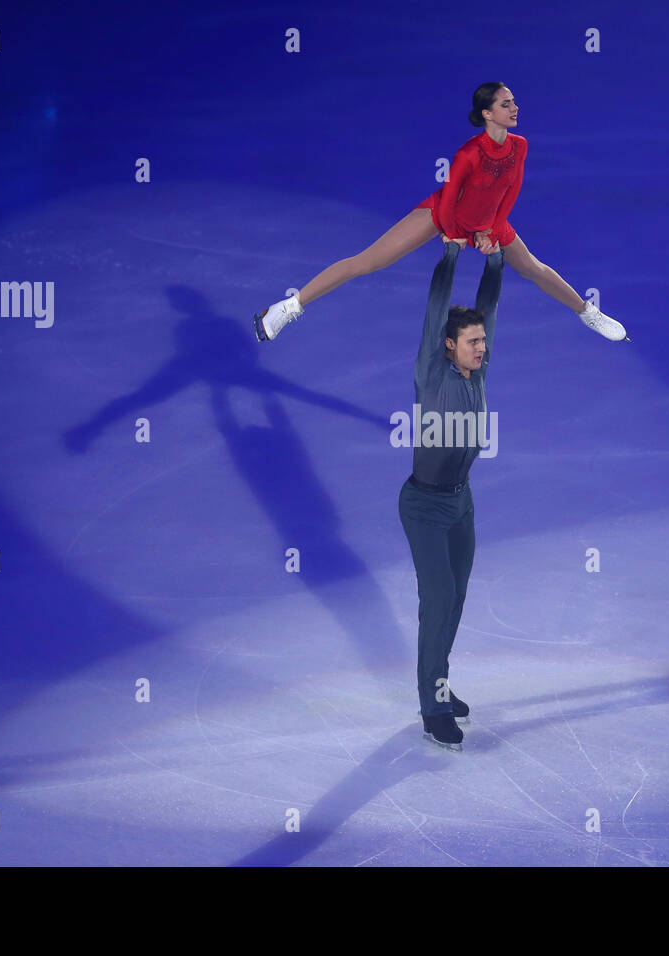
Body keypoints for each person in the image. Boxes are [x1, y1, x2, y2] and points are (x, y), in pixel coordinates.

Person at [253, 82, 627, 344]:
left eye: (514, 102)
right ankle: (287, 307)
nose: (515, 108)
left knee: (534, 268)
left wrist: (491, 230)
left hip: (490, 221)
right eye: (506, 104)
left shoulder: (519, 146)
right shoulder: (469, 153)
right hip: (443, 217)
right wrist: (457, 233)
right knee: (367, 262)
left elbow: (511, 190)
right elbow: (448, 200)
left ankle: (587, 313)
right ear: (487, 113)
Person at [400, 238, 502, 751]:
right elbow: (436, 307)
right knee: (437, 600)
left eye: (483, 340)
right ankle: (432, 708)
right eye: (471, 341)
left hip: (462, 502)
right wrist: (452, 254)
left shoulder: (477, 373)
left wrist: (497, 257)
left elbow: (491, 303)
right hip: (424, 506)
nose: (481, 347)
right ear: (448, 346)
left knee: (455, 599)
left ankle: (439, 679)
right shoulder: (431, 372)